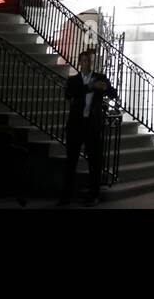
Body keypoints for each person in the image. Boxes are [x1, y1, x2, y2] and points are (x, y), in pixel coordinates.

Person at [59, 51, 117, 207]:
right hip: (76, 125)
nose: (87, 63)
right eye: (84, 60)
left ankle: (94, 196)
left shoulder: (100, 78)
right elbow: (70, 94)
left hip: (92, 125)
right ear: (79, 63)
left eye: (89, 60)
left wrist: (105, 88)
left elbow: (113, 94)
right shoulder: (74, 80)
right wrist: (90, 87)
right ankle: (65, 197)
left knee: (94, 162)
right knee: (71, 162)